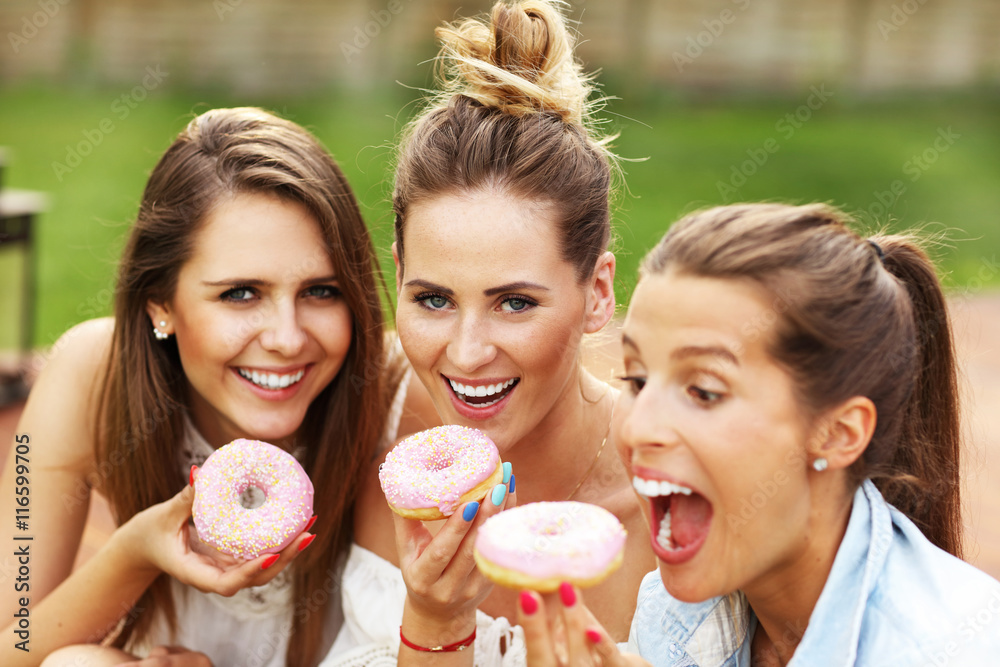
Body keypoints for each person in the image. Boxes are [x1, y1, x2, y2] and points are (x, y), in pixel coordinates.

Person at [0, 107, 437, 667]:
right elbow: (11, 643)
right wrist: (135, 553)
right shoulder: (91, 375)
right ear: (160, 302)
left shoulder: (402, 396)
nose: (286, 339)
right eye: (240, 293)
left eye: (321, 291)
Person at [518, 203, 1000, 665]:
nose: (638, 427)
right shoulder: (671, 612)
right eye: (638, 380)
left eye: (704, 391)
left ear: (837, 433)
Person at [337, 2, 656, 665]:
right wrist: (436, 617)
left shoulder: (669, 498)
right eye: (432, 299)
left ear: (598, 293)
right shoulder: (362, 421)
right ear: (398, 276)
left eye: (514, 303)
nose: (466, 352)